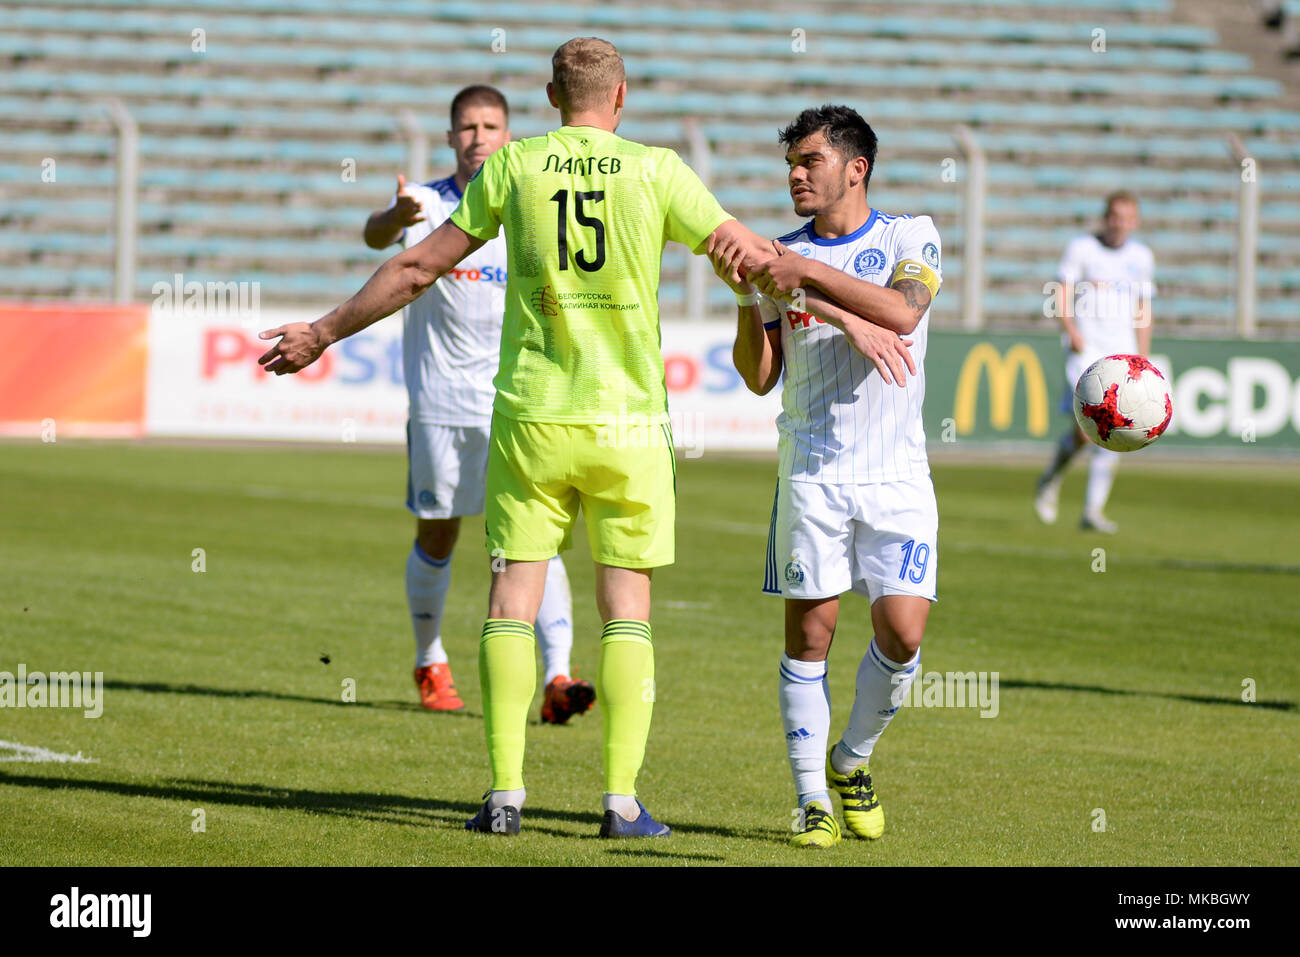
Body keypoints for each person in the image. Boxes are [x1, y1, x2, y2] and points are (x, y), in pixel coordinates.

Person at [257, 37, 788, 838]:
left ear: (548, 97)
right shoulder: (659, 170)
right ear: (622, 97)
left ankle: (504, 797)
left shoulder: (514, 168)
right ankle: (620, 803)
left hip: (531, 417)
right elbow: (751, 256)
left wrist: (324, 331)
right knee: (627, 609)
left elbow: (414, 268)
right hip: (628, 423)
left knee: (511, 598)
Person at [717, 104, 939, 848]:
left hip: (898, 474)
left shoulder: (910, 235)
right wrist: (753, 296)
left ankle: (852, 760)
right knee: (812, 634)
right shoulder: (777, 256)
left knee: (903, 634)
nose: (795, 175)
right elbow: (759, 376)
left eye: (810, 161)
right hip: (812, 469)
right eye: (791, 163)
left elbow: (903, 314)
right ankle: (812, 797)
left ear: (856, 168)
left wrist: (803, 275)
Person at [361, 85, 592, 723]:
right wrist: (393, 220)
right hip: (440, 402)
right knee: (439, 536)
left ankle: (558, 676)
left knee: (533, 539)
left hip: (518, 404)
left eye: (491, 125)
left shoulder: (530, 204)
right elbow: (376, 236)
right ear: (450, 136)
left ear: (509, 134)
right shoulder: (426, 203)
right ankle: (430, 658)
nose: (478, 137)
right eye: (467, 126)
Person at [1034, 191, 1155, 534]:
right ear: (1106, 217)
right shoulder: (1082, 248)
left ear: (1136, 222)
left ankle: (1092, 510)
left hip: (1123, 353)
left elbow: (1144, 309)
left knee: (1115, 428)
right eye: (1115, 216)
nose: (1120, 223)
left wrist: (1142, 356)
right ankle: (1051, 479)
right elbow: (1061, 291)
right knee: (1089, 431)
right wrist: (1070, 330)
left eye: (1127, 218)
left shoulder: (1141, 257)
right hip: (1085, 350)